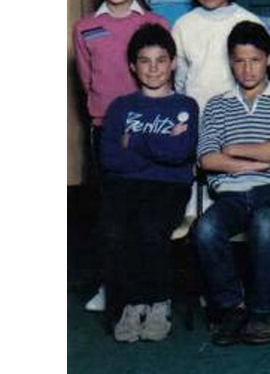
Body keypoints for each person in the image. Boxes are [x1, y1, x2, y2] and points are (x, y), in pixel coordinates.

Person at [193, 21, 270, 347]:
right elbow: (207, 159)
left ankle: (260, 312)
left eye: (255, 60)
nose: (247, 69)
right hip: (230, 195)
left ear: (268, 59)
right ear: (231, 62)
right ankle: (232, 308)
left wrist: (233, 150)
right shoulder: (218, 104)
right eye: (239, 60)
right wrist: (255, 162)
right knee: (206, 229)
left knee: (266, 224)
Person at [73, 0, 169, 312]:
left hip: (150, 126)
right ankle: (112, 285)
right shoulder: (84, 27)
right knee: (112, 212)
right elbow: (86, 79)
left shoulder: (154, 24)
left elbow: (163, 76)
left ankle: (148, 286)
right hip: (106, 129)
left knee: (146, 210)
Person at [98, 24, 198, 342]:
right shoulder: (120, 107)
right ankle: (133, 303)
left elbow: (180, 154)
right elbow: (111, 159)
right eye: (144, 61)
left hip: (169, 185)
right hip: (125, 184)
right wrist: (160, 145)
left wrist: (137, 142)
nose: (153, 68)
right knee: (115, 227)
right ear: (132, 66)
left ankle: (158, 302)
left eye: (160, 60)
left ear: (173, 63)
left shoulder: (185, 106)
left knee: (151, 225)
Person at [172, 0, 262, 110]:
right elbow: (179, 76)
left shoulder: (249, 21)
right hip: (196, 109)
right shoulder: (183, 25)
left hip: (238, 112)